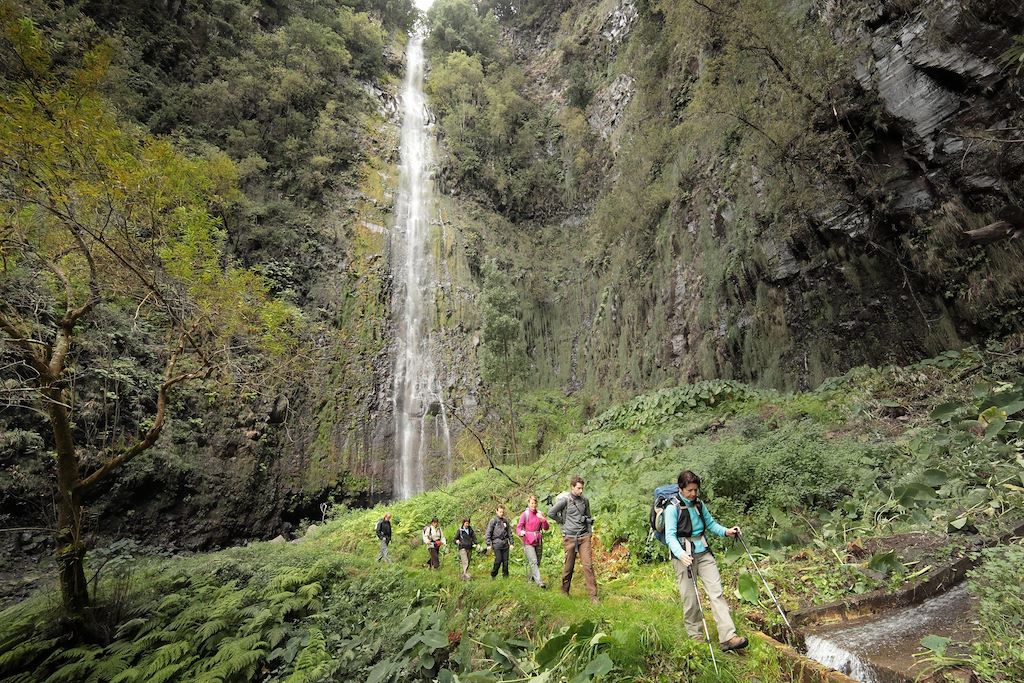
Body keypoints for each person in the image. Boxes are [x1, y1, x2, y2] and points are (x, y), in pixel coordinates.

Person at [665, 470, 748, 652]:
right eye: (690, 490)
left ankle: (728, 637)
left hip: (703, 553)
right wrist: (680, 554)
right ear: (681, 488)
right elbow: (670, 536)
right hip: (684, 557)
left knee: (716, 592)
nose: (693, 494)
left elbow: (710, 524)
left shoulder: (699, 505)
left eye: (696, 490)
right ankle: (695, 635)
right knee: (690, 597)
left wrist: (727, 531)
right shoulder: (672, 508)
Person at [547, 475, 598, 602]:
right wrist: (563, 522)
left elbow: (588, 518)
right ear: (572, 487)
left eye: (582, 488)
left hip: (584, 537)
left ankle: (593, 596)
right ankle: (564, 591)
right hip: (570, 537)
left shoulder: (585, 501)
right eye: (579, 488)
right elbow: (551, 513)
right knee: (568, 567)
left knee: (588, 566)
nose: (581, 491)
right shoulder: (565, 501)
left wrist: (589, 533)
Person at [517, 495, 550, 587]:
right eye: (532, 503)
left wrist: (543, 520)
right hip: (528, 541)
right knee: (533, 561)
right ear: (529, 503)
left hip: (538, 541)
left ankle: (530, 579)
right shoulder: (525, 514)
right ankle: (539, 582)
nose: (533, 505)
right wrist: (521, 532)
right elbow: (519, 527)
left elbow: (546, 528)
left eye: (535, 503)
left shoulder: (540, 514)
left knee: (537, 561)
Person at [485, 504, 513, 579]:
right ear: (496, 511)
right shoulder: (493, 521)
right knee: (498, 560)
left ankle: (505, 577)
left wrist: (511, 543)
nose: (501, 513)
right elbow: (488, 532)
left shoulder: (505, 521)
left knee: (506, 562)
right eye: (500, 512)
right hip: (496, 543)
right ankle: (493, 574)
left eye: (502, 512)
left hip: (505, 544)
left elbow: (509, 532)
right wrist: (488, 544)